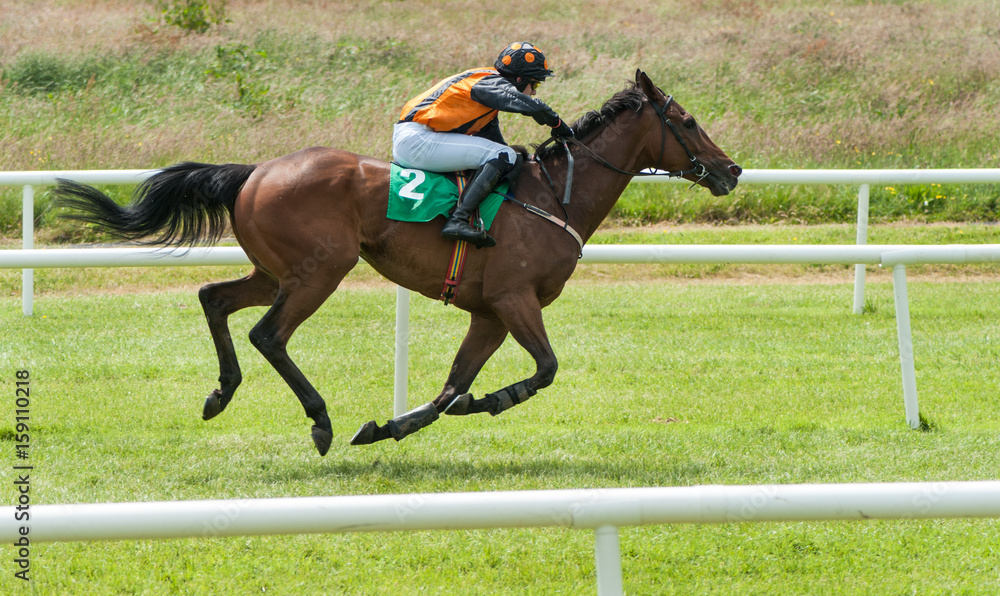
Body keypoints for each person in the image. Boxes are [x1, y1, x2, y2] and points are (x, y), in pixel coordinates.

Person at [392, 42, 573, 248]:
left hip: (416, 139)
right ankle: (458, 220)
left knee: (506, 155)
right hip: (418, 140)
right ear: (519, 79)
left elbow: (495, 144)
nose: (533, 92)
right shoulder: (489, 82)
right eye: (536, 84)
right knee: (505, 155)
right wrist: (558, 124)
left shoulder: (486, 99)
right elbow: (528, 104)